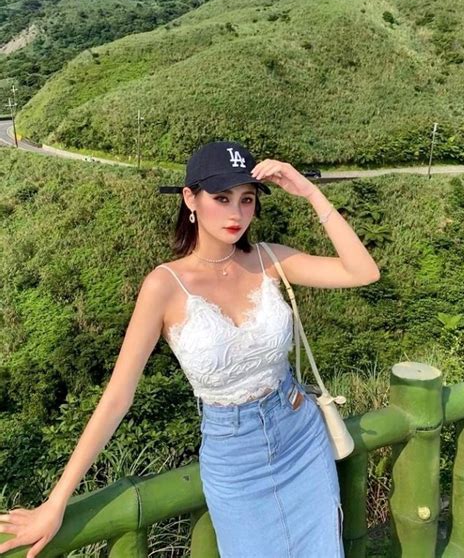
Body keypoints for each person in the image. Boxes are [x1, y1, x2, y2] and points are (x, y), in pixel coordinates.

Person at [0, 140, 380, 557]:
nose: (236, 214)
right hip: (234, 456)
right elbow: (118, 397)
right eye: (222, 198)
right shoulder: (164, 286)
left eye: (247, 199)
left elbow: (363, 272)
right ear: (190, 199)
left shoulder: (269, 259)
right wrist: (56, 502)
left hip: (300, 434)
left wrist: (309, 192)